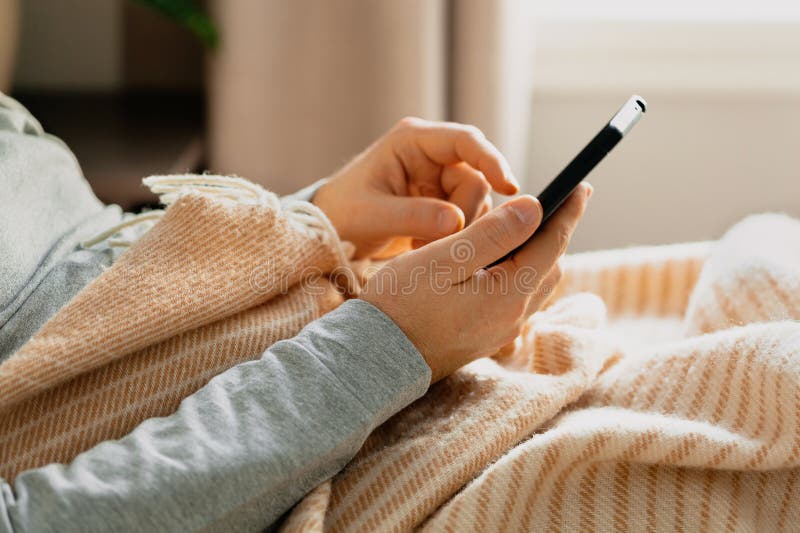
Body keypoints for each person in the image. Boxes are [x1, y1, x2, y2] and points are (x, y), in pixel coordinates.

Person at [0, 93, 589, 532]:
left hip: (353, 346)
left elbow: (90, 255)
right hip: (316, 409)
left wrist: (318, 217)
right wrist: (384, 350)